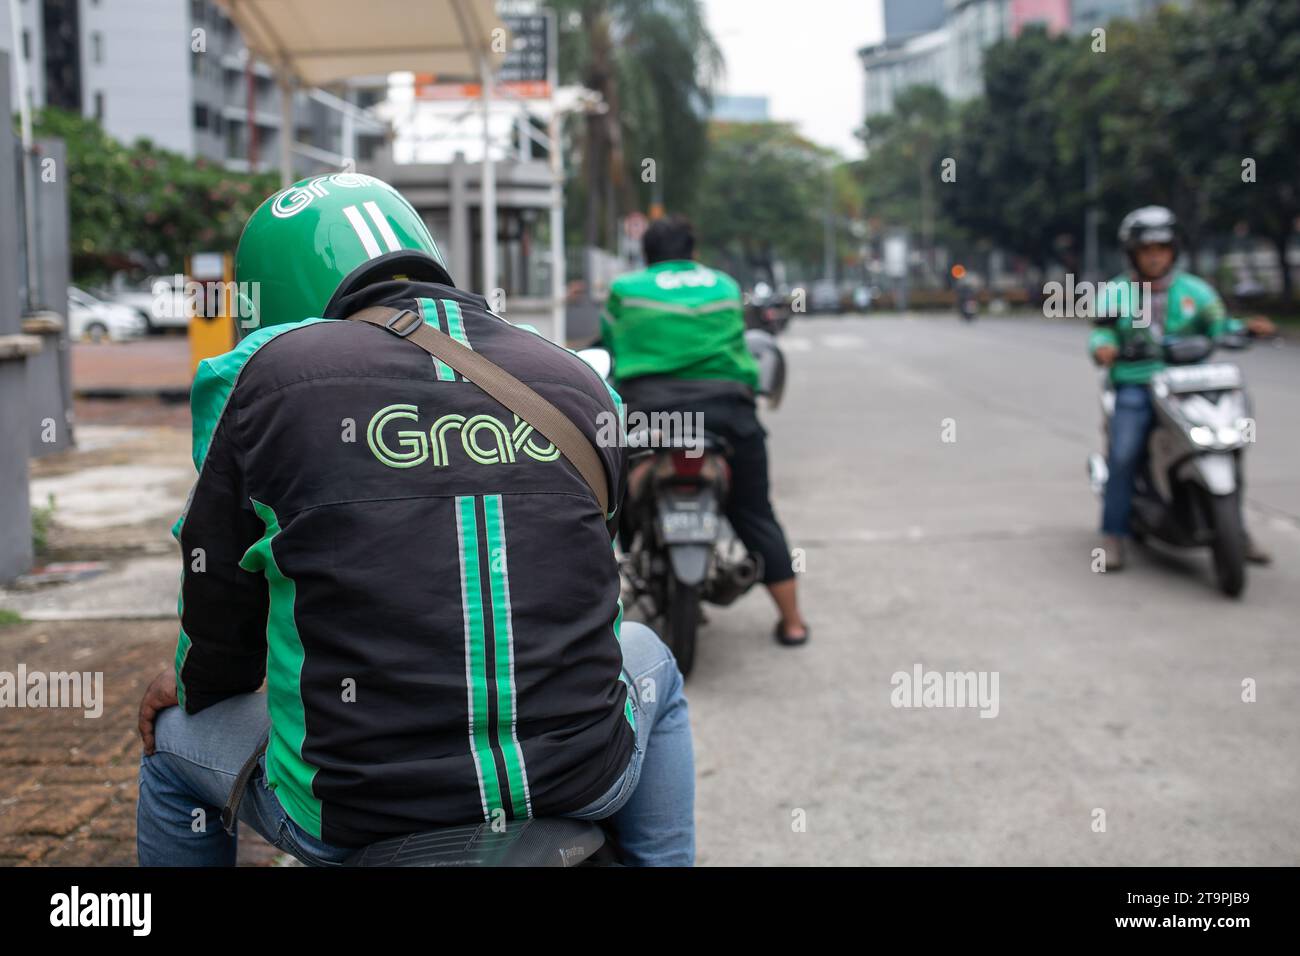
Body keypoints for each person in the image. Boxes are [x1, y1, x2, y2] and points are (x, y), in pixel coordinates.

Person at [136, 174, 694, 867]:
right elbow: (588, 579)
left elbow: (218, 593)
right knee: (651, 657)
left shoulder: (265, 378)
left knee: (170, 747)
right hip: (579, 779)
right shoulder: (575, 378)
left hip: (354, 810)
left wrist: (197, 689)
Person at [600, 215, 809, 645]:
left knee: (606, 495)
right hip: (725, 411)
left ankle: (608, 590)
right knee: (755, 513)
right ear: (692, 252)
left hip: (649, 413)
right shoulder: (725, 285)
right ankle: (793, 623)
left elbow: (609, 344)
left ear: (646, 255)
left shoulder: (625, 289)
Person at [1088, 205, 1276, 570]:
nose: (1155, 256)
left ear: (1174, 250)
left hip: (1189, 387)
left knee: (1228, 446)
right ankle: (1114, 533)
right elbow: (1101, 332)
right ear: (1134, 253)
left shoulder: (1196, 291)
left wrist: (1247, 329)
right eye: (1147, 249)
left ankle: (1235, 528)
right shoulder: (1117, 292)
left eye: (1162, 247)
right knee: (1124, 454)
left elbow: (1220, 326)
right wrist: (1104, 348)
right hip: (1137, 384)